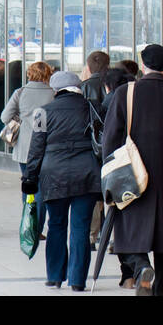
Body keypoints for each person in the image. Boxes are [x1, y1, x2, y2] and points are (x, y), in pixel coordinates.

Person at [101, 44, 163, 295]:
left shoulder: (126, 93)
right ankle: (161, 287)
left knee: (128, 228)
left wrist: (110, 171)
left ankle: (141, 265)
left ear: (144, 66)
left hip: (131, 175)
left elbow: (111, 137)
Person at [21, 71, 102, 291]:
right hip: (86, 173)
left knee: (56, 225)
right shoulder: (91, 108)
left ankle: (55, 276)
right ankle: (77, 280)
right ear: (78, 87)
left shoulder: (43, 113)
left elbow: (36, 148)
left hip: (53, 173)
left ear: (55, 90)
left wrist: (30, 176)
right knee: (80, 228)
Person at [1, 60, 56, 238]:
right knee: (42, 189)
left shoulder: (20, 92)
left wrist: (22, 115)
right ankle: (37, 229)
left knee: (28, 187)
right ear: (48, 74)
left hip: (24, 148)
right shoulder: (53, 93)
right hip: (47, 147)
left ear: (29, 74)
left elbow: (4, 117)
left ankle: (27, 225)